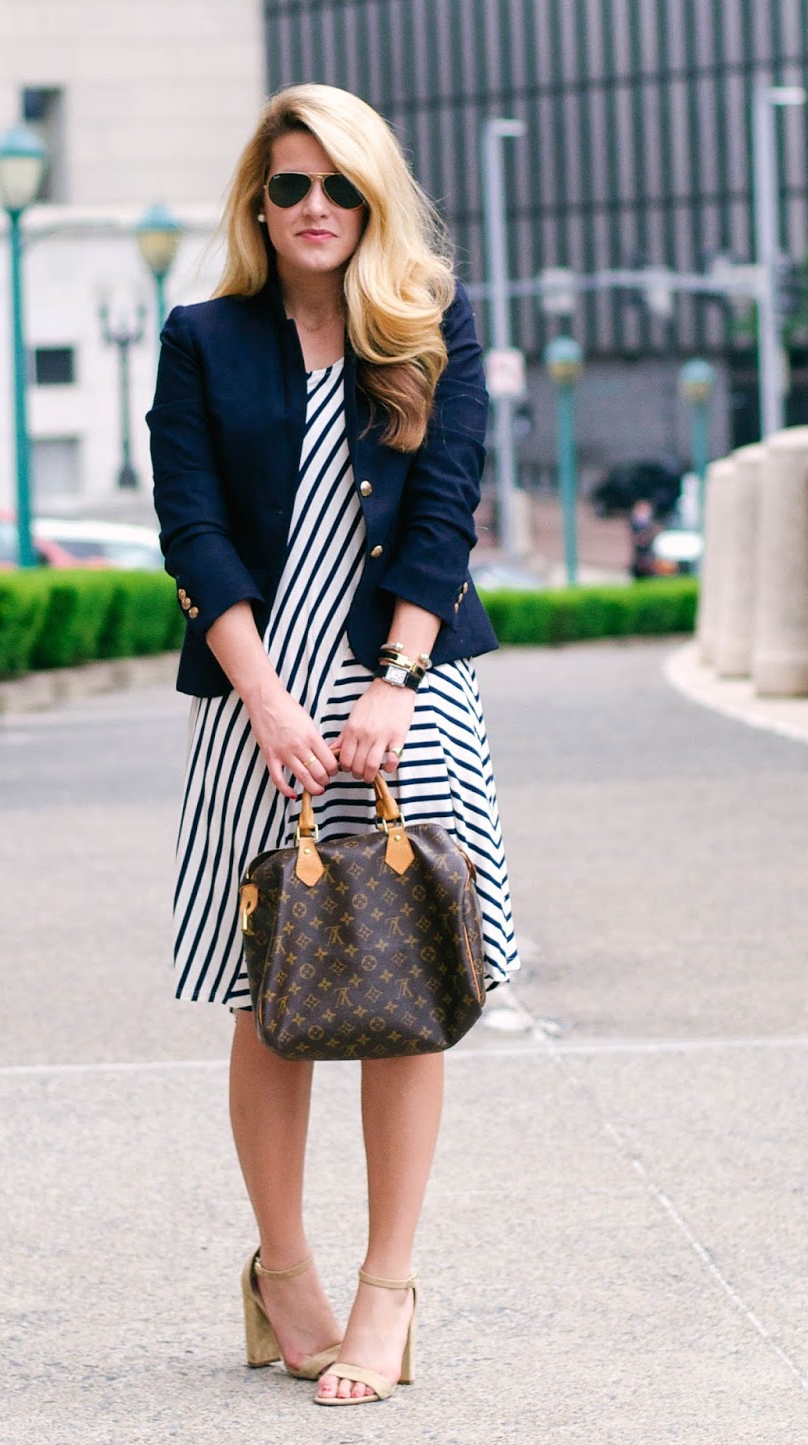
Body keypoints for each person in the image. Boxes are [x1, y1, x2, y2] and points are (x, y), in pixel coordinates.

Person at [147, 83, 519, 1407]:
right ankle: (287, 1271)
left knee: (403, 983)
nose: (316, 209)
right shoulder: (202, 340)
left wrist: (393, 679)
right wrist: (266, 698)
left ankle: (389, 1286)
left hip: (400, 698)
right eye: (291, 186)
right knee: (274, 999)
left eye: (341, 188)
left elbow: (445, 509)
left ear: (375, 199)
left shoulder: (429, 327)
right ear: (261, 201)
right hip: (263, 704)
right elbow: (191, 530)